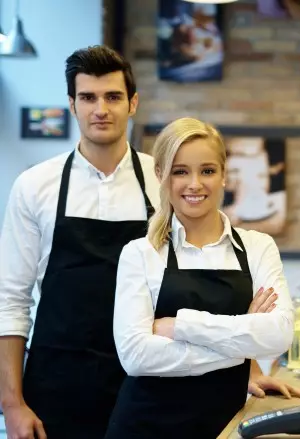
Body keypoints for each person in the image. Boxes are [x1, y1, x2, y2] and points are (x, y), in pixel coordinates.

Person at [0, 45, 158, 439]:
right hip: (55, 388)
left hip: (144, 385)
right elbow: (11, 301)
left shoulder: (163, 182)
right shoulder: (34, 186)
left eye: (113, 97)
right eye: (88, 97)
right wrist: (12, 405)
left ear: (133, 103)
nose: (100, 109)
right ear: (72, 104)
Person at [104, 117, 295, 439]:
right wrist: (241, 343)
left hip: (227, 424)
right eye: (181, 171)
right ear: (161, 176)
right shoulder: (140, 253)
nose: (195, 184)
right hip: (145, 426)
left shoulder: (257, 246)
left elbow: (278, 336)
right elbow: (136, 357)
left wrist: (180, 327)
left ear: (223, 175)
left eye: (207, 170)